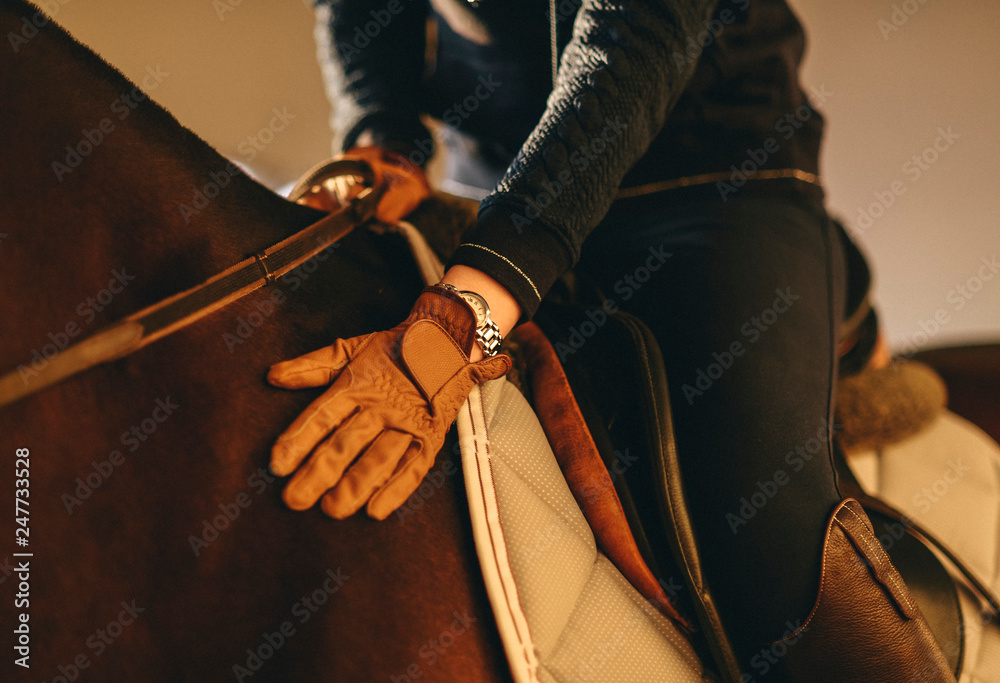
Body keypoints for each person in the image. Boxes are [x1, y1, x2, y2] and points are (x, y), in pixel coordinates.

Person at [265, 1, 956, 680]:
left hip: (706, 182)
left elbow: (635, 36)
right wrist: (380, 130)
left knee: (763, 544)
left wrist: (460, 319)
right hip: (501, 191)